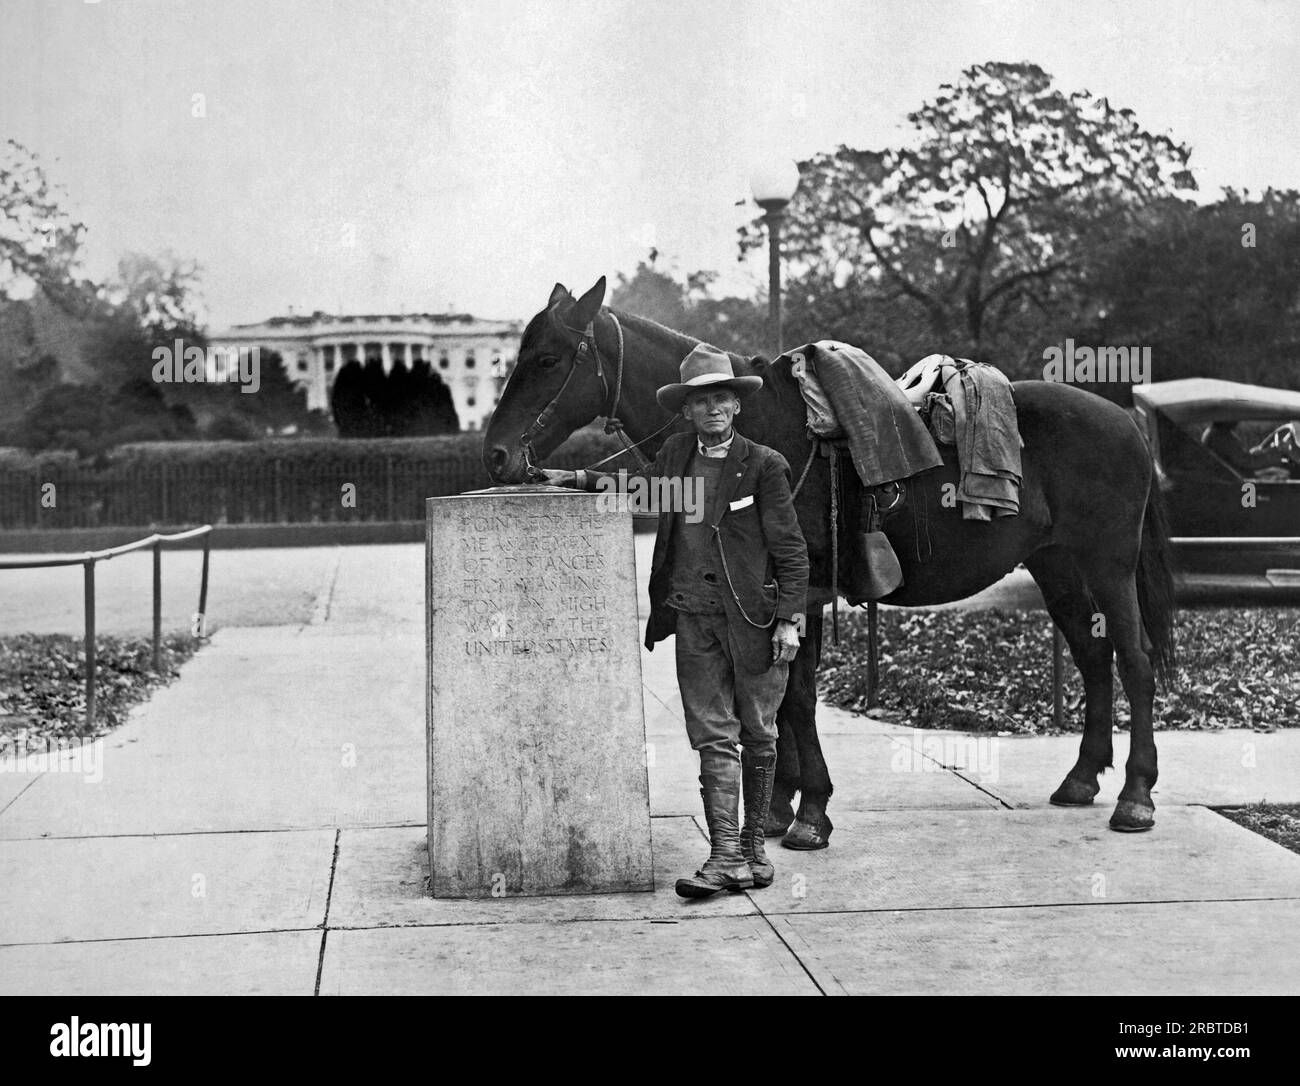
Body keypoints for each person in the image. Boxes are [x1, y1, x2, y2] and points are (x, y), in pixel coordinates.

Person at [544, 343, 809, 898]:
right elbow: (632, 488)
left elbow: (790, 549)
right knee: (712, 736)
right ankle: (727, 856)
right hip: (694, 621)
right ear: (685, 410)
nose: (711, 410)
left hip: (755, 623)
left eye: (721, 399)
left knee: (759, 732)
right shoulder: (677, 459)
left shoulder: (763, 465)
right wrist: (565, 477)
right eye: (700, 402)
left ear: (736, 406)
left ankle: (754, 852)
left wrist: (790, 618)